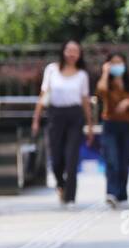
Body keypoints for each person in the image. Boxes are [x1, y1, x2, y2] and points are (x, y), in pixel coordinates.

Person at [32, 39, 95, 206]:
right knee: (56, 157)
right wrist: (36, 118)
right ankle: (61, 184)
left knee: (72, 156)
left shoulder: (82, 75)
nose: (72, 54)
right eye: (69, 50)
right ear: (63, 51)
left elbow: (85, 100)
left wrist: (90, 125)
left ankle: (70, 197)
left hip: (75, 116)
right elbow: (44, 95)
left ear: (80, 54)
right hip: (55, 115)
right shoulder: (52, 70)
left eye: (76, 51)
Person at [96, 52, 129, 208]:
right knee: (112, 159)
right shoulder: (106, 83)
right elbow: (100, 91)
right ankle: (111, 193)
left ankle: (121, 193)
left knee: (124, 161)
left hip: (127, 125)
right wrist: (105, 73)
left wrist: (128, 102)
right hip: (110, 124)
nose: (117, 66)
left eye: (119, 62)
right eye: (113, 63)